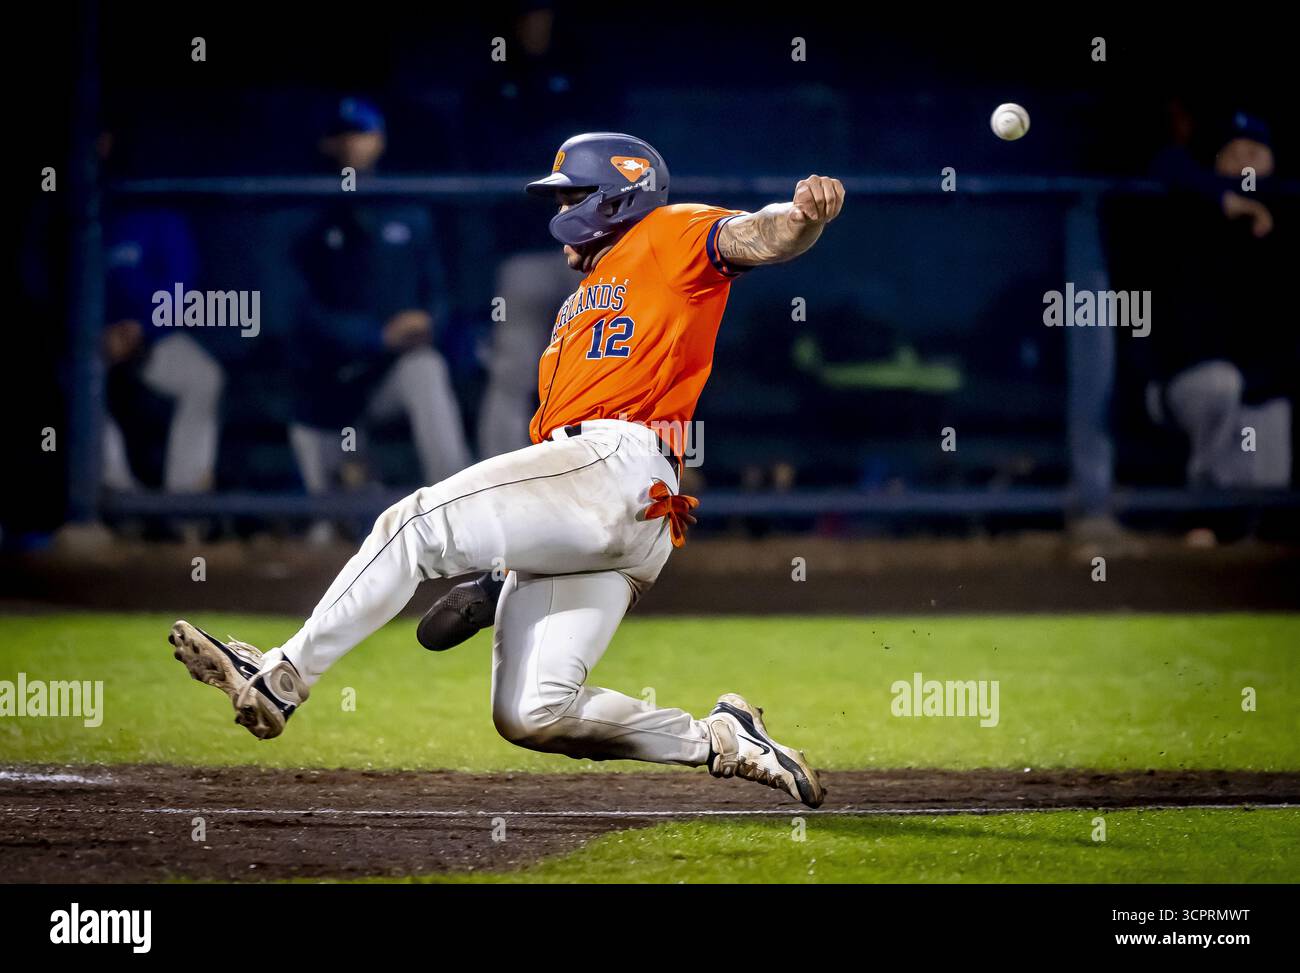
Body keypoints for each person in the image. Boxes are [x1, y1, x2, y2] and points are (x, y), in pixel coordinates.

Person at [168, 133, 844, 808]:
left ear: (615, 196)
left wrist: (800, 217)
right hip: (627, 518)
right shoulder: (588, 294)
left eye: (573, 194)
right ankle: (722, 739)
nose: (559, 212)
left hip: (614, 464)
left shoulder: (666, 232)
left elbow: (751, 237)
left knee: (413, 524)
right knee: (531, 712)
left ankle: (283, 673)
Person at [287, 97, 471, 505]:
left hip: (387, 378)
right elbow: (300, 312)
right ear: (327, 144)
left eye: (363, 133)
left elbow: (439, 294)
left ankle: (459, 506)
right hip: (328, 385)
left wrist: (426, 323)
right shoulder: (305, 214)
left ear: (380, 141)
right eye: (343, 135)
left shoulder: (406, 209)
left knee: (426, 367)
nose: (353, 144)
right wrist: (376, 335)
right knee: (329, 519)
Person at [1147, 111, 1293, 490]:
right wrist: (1226, 199)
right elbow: (1166, 163)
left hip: (1258, 388)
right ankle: (1200, 497)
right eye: (1234, 151)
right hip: (1187, 382)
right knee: (1220, 384)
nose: (1245, 160)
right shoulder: (1192, 208)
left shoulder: (1286, 214)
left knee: (1267, 488)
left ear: (1273, 161)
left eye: (1255, 151)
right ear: (1218, 162)